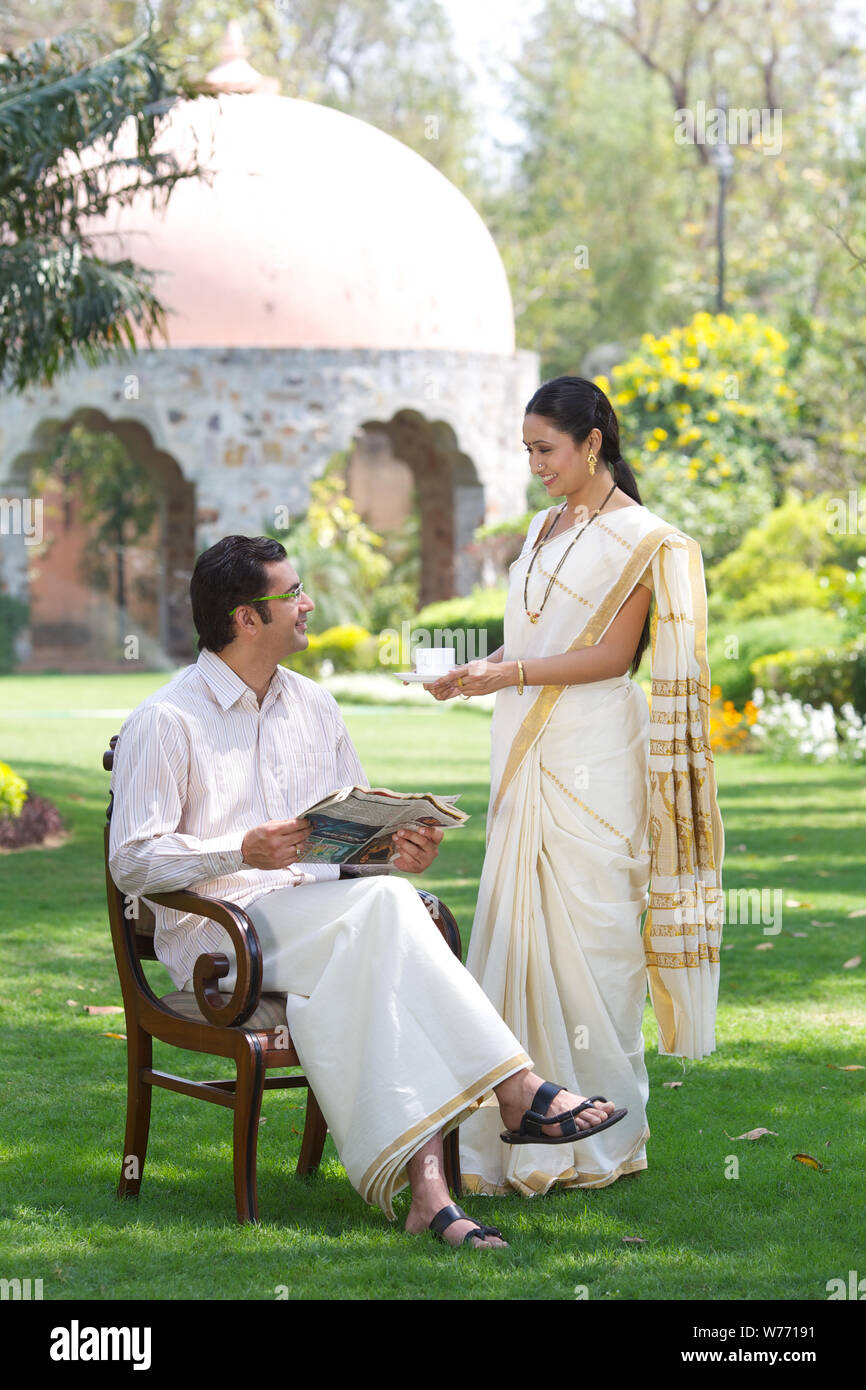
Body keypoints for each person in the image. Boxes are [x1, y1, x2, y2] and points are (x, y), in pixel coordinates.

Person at [108, 533, 629, 1249]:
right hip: (225, 941)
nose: (306, 601)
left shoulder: (314, 706)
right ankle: (520, 1091)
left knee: (384, 925)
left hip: (327, 926)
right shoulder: (166, 721)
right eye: (290, 593)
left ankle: (430, 1197)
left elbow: (344, 831)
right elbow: (132, 863)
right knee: (387, 916)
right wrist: (240, 849)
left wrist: (394, 848)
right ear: (245, 618)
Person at [425, 377, 725, 1198]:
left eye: (545, 449)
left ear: (592, 442)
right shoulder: (541, 525)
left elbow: (609, 657)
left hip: (594, 752)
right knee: (518, 933)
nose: (534, 466)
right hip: (525, 743)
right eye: (525, 450)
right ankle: (515, 1126)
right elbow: (538, 629)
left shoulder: (646, 539)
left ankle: (603, 1139)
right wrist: (489, 672)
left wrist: (504, 672)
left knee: (591, 943)